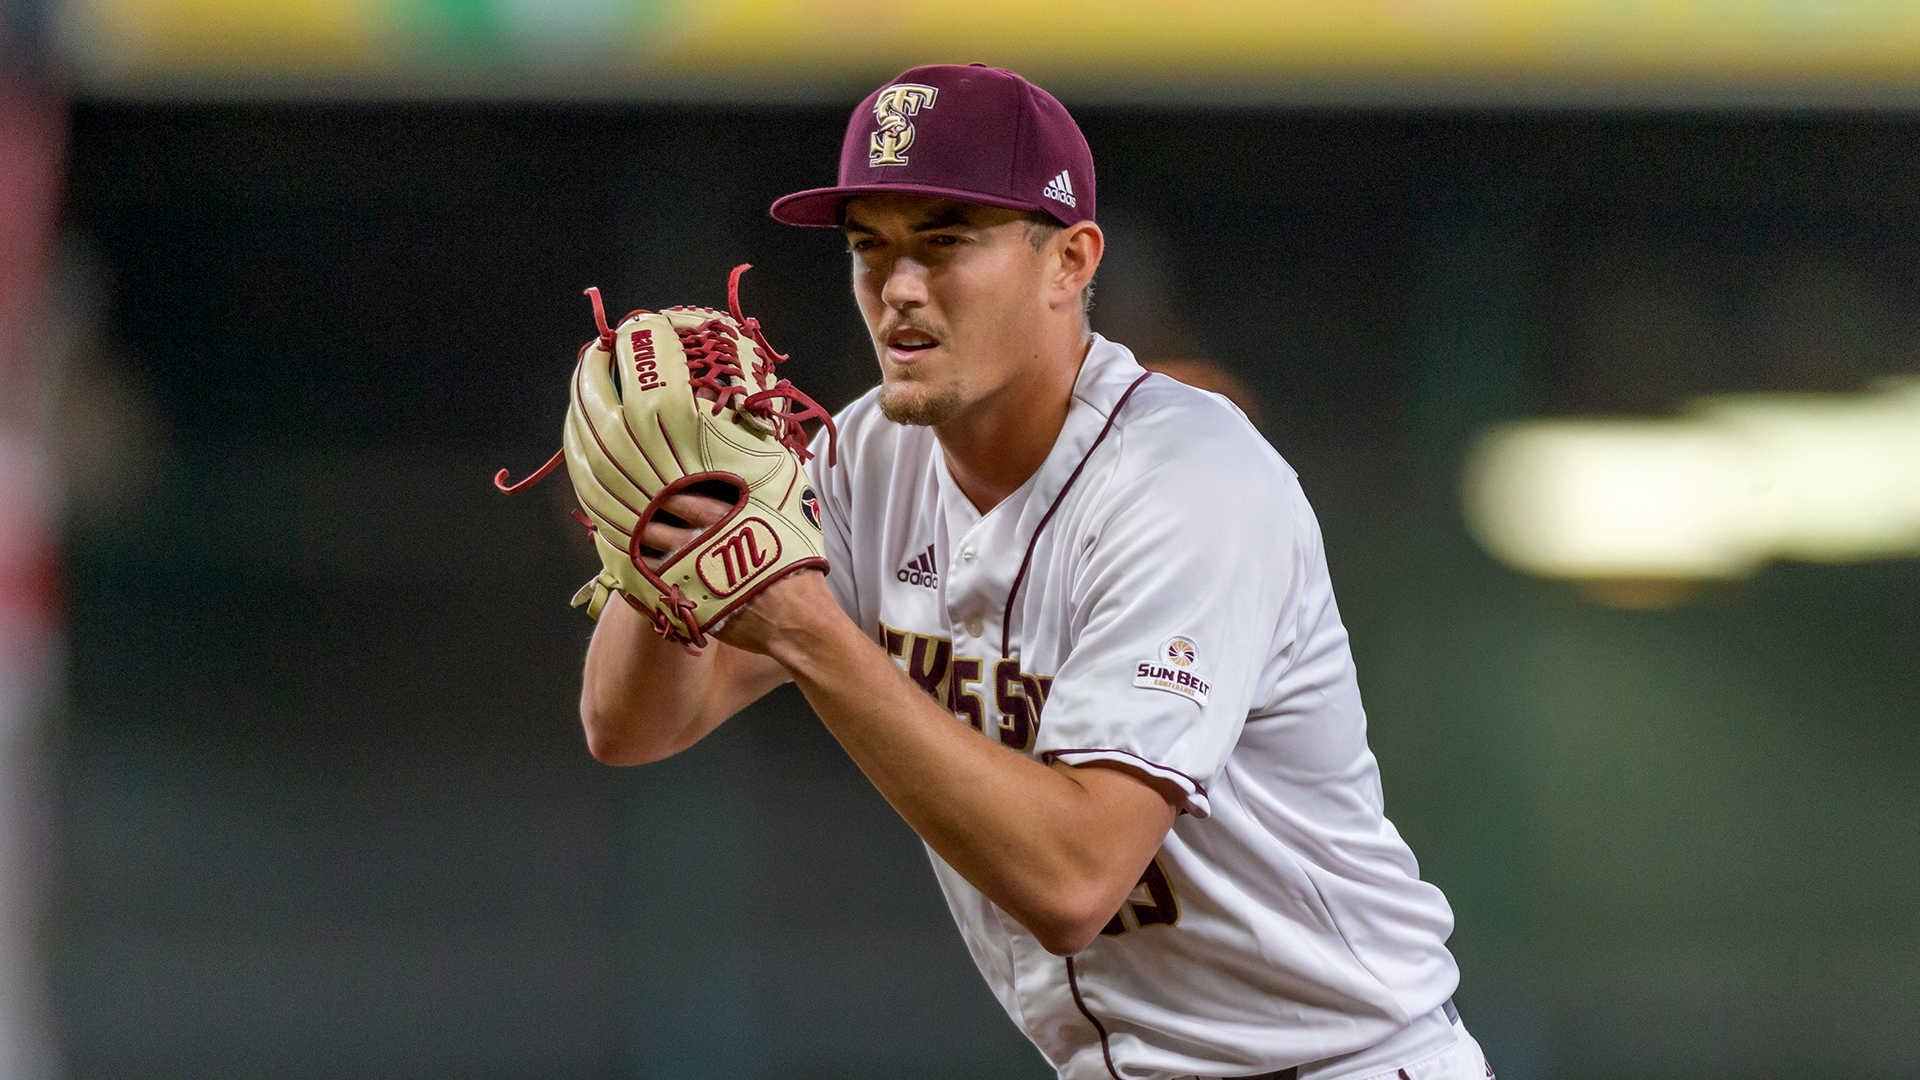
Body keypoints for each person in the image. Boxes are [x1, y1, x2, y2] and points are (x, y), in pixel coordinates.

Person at [579, 63, 1491, 1080]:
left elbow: (1074, 880)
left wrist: (803, 626)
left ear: (1068, 262)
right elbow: (632, 725)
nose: (900, 287)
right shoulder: (861, 458)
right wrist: (656, 542)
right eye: (869, 247)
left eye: (946, 240)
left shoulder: (1191, 480)